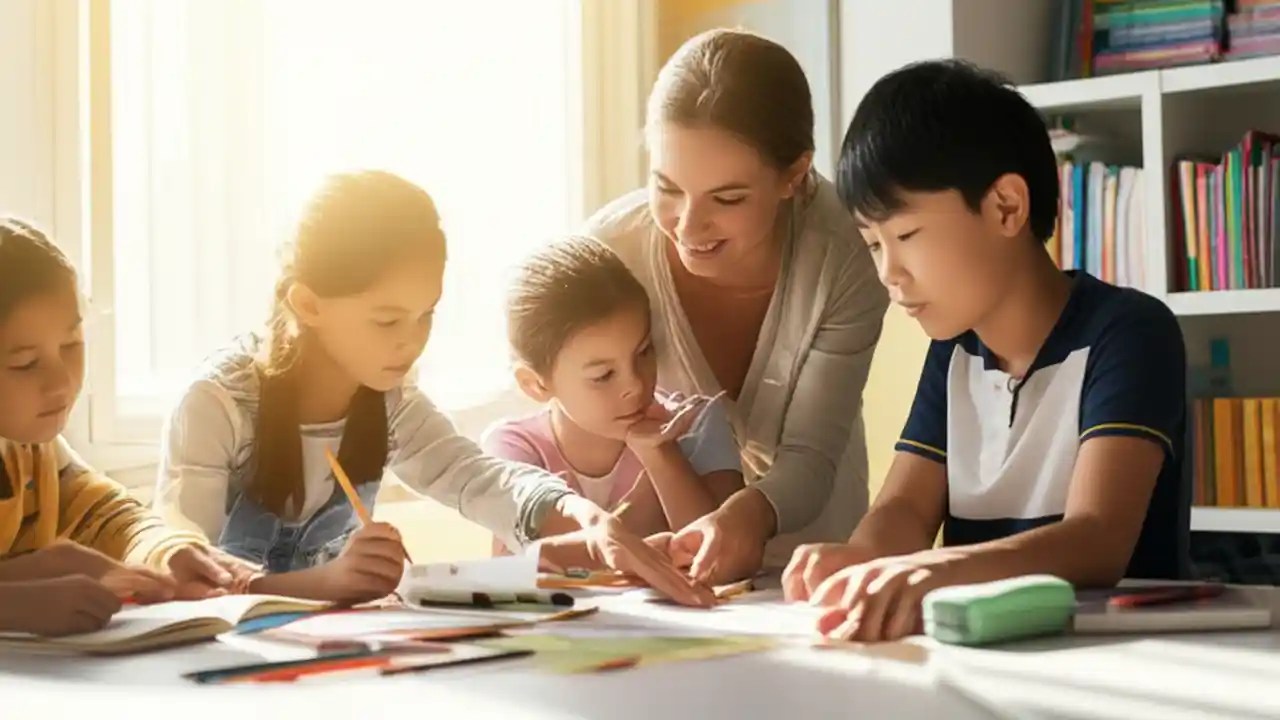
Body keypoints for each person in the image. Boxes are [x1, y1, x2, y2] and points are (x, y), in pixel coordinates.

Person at [155, 171, 713, 606]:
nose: (411, 343)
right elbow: (187, 576)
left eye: (426, 315)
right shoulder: (217, 405)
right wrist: (326, 583)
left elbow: (478, 478)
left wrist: (594, 525)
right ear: (308, 304)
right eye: (387, 320)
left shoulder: (387, 401)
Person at [784, 60, 1188, 642]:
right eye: (873, 244)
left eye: (906, 236)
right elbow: (904, 510)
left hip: (1118, 656)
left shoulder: (1129, 333)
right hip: (986, 654)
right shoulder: (953, 353)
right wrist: (861, 559)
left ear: (1006, 207)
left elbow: (1096, 539)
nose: (889, 272)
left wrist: (934, 570)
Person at [585, 29, 888, 582]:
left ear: (794, 177)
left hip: (809, 564)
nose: (688, 224)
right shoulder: (608, 254)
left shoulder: (847, 254)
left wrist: (746, 518)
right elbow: (566, 424)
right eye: (667, 187)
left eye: (727, 199)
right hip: (651, 563)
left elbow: (811, 454)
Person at [0, 218, 240, 636]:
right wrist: (14, 599)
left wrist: (163, 552)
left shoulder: (31, 449)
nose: (61, 383)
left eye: (72, 345)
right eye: (24, 363)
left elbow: (105, 514)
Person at [483, 236, 743, 553]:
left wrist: (660, 455)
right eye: (603, 375)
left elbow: (721, 558)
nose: (635, 383)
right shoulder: (515, 449)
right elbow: (521, 567)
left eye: (644, 352)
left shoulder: (697, 423)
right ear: (536, 384)